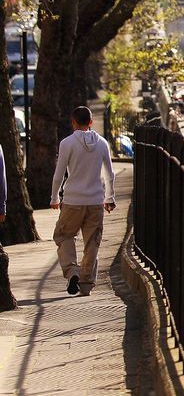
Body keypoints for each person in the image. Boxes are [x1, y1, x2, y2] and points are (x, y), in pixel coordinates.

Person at [50, 106, 115, 296]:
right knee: (92, 243)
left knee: (63, 235)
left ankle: (72, 272)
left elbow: (59, 174)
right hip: (95, 201)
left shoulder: (67, 143)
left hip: (73, 201)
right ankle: (86, 284)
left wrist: (55, 197)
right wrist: (109, 197)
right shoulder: (102, 143)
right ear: (91, 122)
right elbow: (109, 174)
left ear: (73, 122)